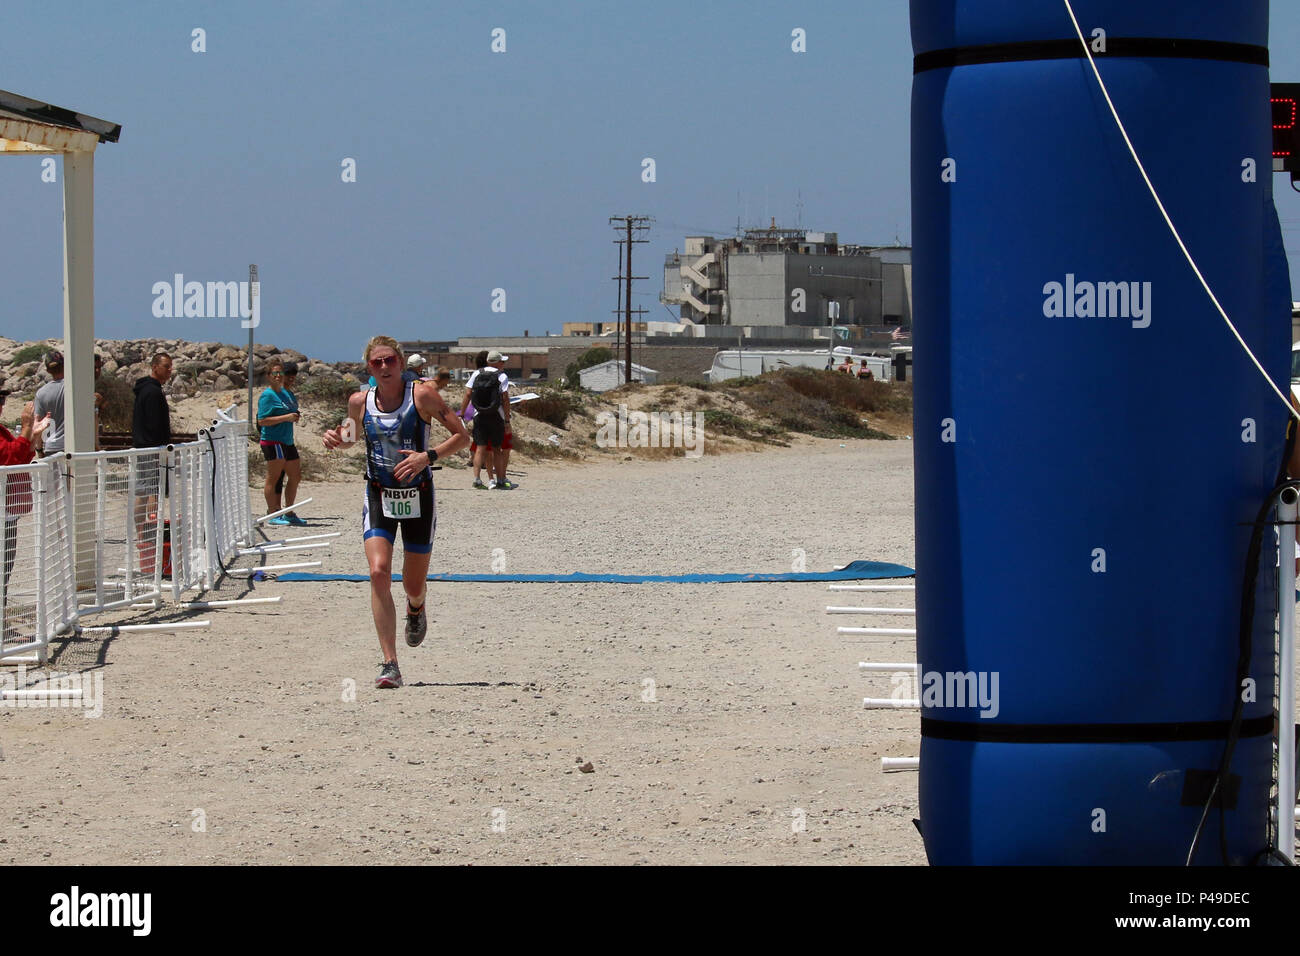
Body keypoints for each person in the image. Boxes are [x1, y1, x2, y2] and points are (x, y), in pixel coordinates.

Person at [322, 335, 470, 689]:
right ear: (368, 367)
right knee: (378, 572)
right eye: (377, 363)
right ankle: (390, 663)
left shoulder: (422, 396)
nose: (384, 368)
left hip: (418, 496)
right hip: (379, 496)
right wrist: (336, 440)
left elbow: (463, 435)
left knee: (413, 584)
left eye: (389, 360)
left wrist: (427, 457)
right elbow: (350, 436)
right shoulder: (359, 401)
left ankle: (416, 607)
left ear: (401, 363)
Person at [0, 393, 52, 604]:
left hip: (7, 512)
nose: (2, 406)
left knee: (5, 568)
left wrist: (33, 434)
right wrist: (27, 428)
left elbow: (20, 455)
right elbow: (10, 457)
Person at [132, 352, 173, 575]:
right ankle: (146, 532)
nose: (169, 371)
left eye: (170, 367)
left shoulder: (147, 390)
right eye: (166, 367)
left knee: (146, 490)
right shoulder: (151, 391)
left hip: (146, 447)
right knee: (149, 490)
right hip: (151, 449)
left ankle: (144, 531)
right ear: (155, 366)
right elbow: (154, 424)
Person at [259, 359, 305, 526]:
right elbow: (262, 420)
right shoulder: (267, 395)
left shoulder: (287, 393)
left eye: (281, 373)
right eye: (275, 373)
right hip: (273, 441)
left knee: (295, 475)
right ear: (269, 376)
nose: (278, 376)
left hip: (287, 440)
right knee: (274, 477)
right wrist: (286, 417)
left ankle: (289, 511)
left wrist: (294, 416)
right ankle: (273, 512)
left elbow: (290, 411)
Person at [463, 350, 514, 491]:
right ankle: (500, 480)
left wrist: (462, 413)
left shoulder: (477, 373)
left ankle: (477, 479)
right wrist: (507, 420)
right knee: (497, 449)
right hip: (496, 415)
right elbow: (505, 398)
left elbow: (467, 393)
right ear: (497, 362)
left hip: (479, 414)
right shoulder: (501, 376)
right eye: (502, 361)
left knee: (480, 448)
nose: (503, 364)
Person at [33, 351, 66, 457]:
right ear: (64, 365)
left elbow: (38, 424)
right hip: (75, 445)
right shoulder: (73, 387)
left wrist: (39, 450)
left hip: (51, 448)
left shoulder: (41, 393)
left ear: (47, 370)